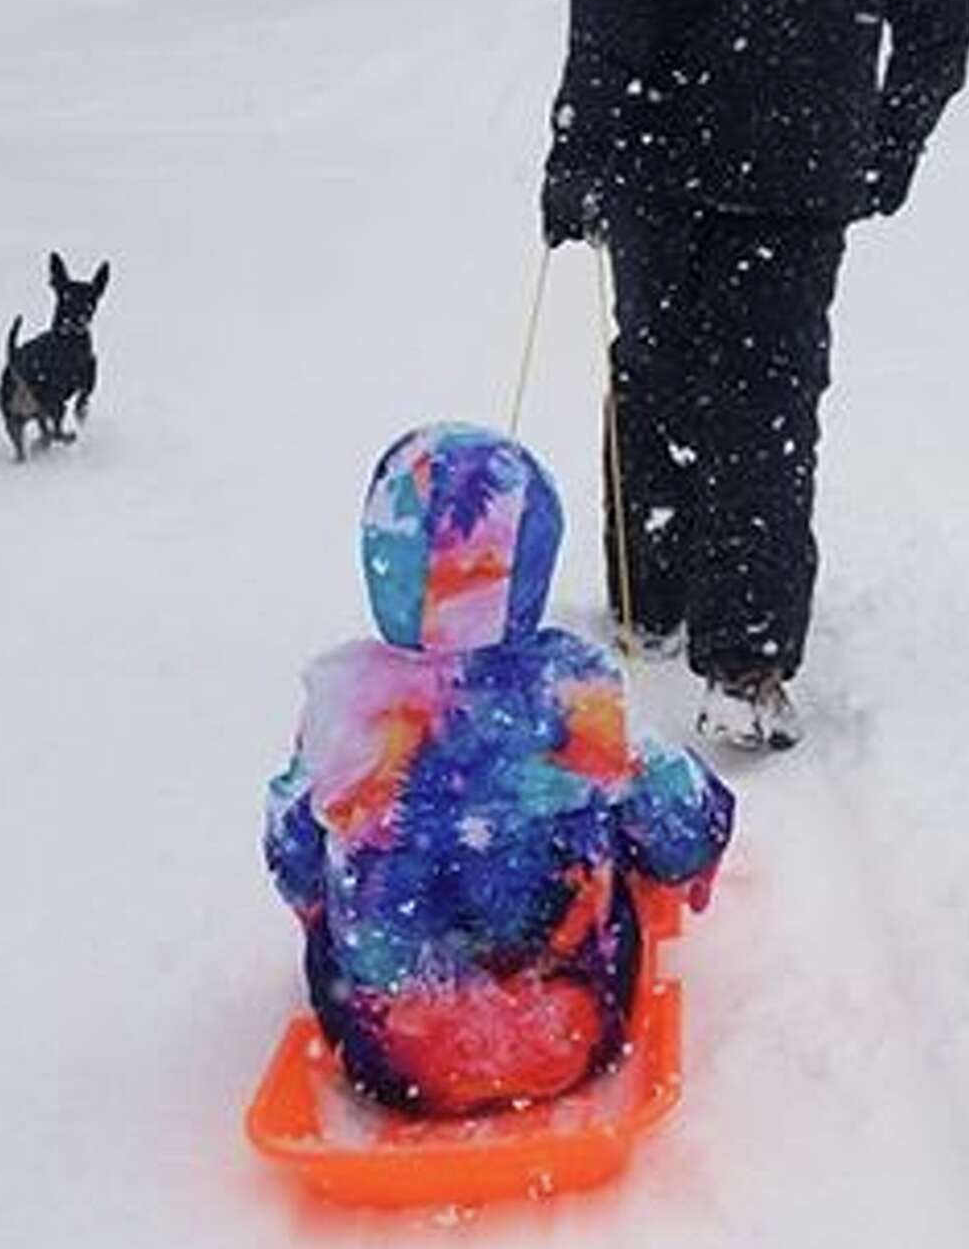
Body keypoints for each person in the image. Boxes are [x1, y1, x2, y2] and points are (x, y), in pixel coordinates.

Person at [541, 0, 969, 754]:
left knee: (652, 372)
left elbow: (612, 3)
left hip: (661, 170)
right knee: (770, 407)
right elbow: (946, 8)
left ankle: (649, 595)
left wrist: (578, 156)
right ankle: (745, 661)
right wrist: (885, 149)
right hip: (799, 184)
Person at [265, 422, 732, 1115]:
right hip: (569, 1033)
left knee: (365, 893)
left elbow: (291, 857)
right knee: (609, 830)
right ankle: (540, 962)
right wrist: (696, 830)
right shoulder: (571, 690)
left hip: (387, 1054)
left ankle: (400, 985)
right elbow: (685, 825)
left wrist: (336, 884)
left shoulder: (348, 708)